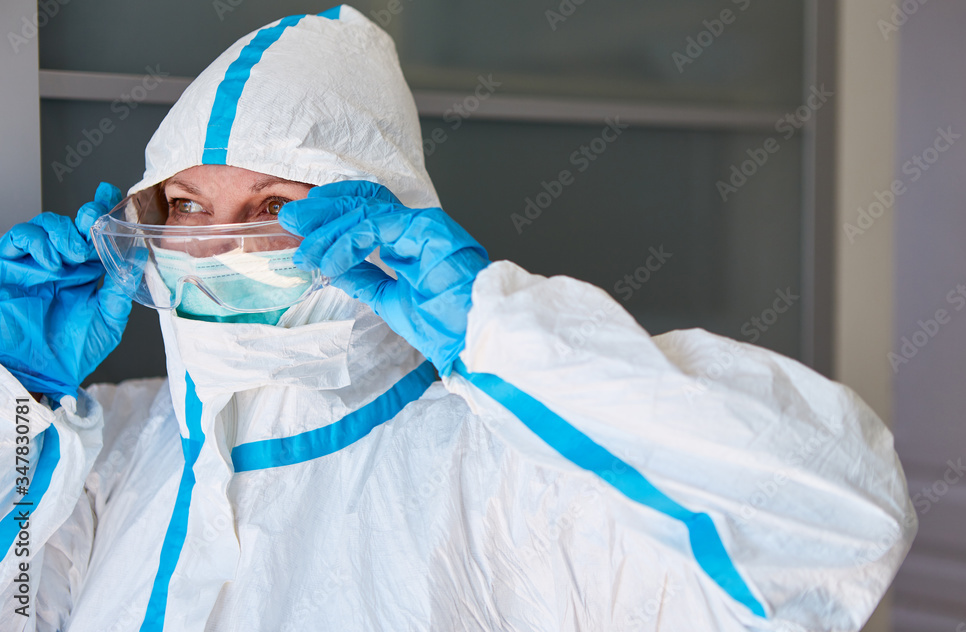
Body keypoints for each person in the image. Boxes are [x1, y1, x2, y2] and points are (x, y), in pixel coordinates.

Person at [0, 6, 915, 631]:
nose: (221, 246)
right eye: (189, 209)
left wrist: (497, 329)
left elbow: (829, 525)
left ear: (374, 220)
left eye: (275, 203)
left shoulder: (496, 476)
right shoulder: (114, 452)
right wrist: (15, 398)